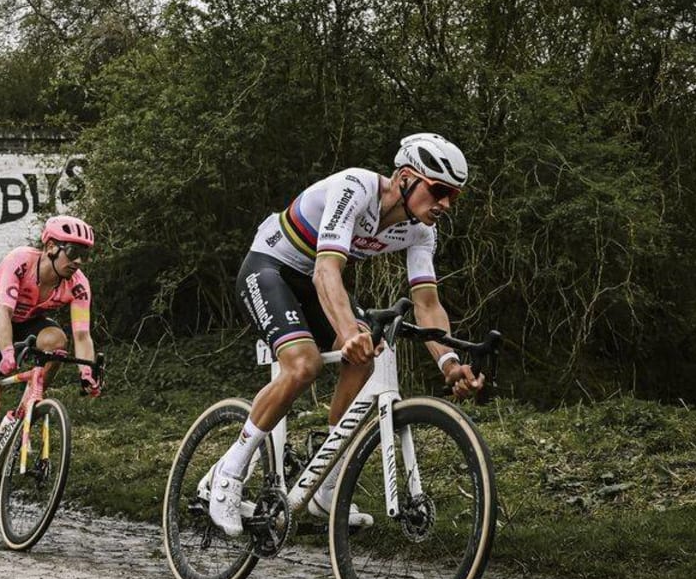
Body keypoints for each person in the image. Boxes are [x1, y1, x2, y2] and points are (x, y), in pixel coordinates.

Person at [206, 134, 486, 537]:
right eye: (439, 190)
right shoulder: (354, 187)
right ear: (406, 178)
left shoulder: (421, 231)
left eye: (453, 197)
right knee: (304, 365)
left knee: (367, 354)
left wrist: (449, 361)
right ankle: (228, 474)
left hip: (314, 279)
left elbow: (427, 303)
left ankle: (326, 479)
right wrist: (344, 331)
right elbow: (326, 271)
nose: (444, 204)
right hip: (271, 268)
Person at [0, 215, 102, 515]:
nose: (79, 261)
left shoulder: (78, 284)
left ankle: (23, 410)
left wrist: (87, 371)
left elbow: (82, 333)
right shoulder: (21, 261)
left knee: (57, 345)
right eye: (73, 251)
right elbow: (2, 313)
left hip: (29, 320)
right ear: (51, 246)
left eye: (86, 254)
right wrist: (5, 352)